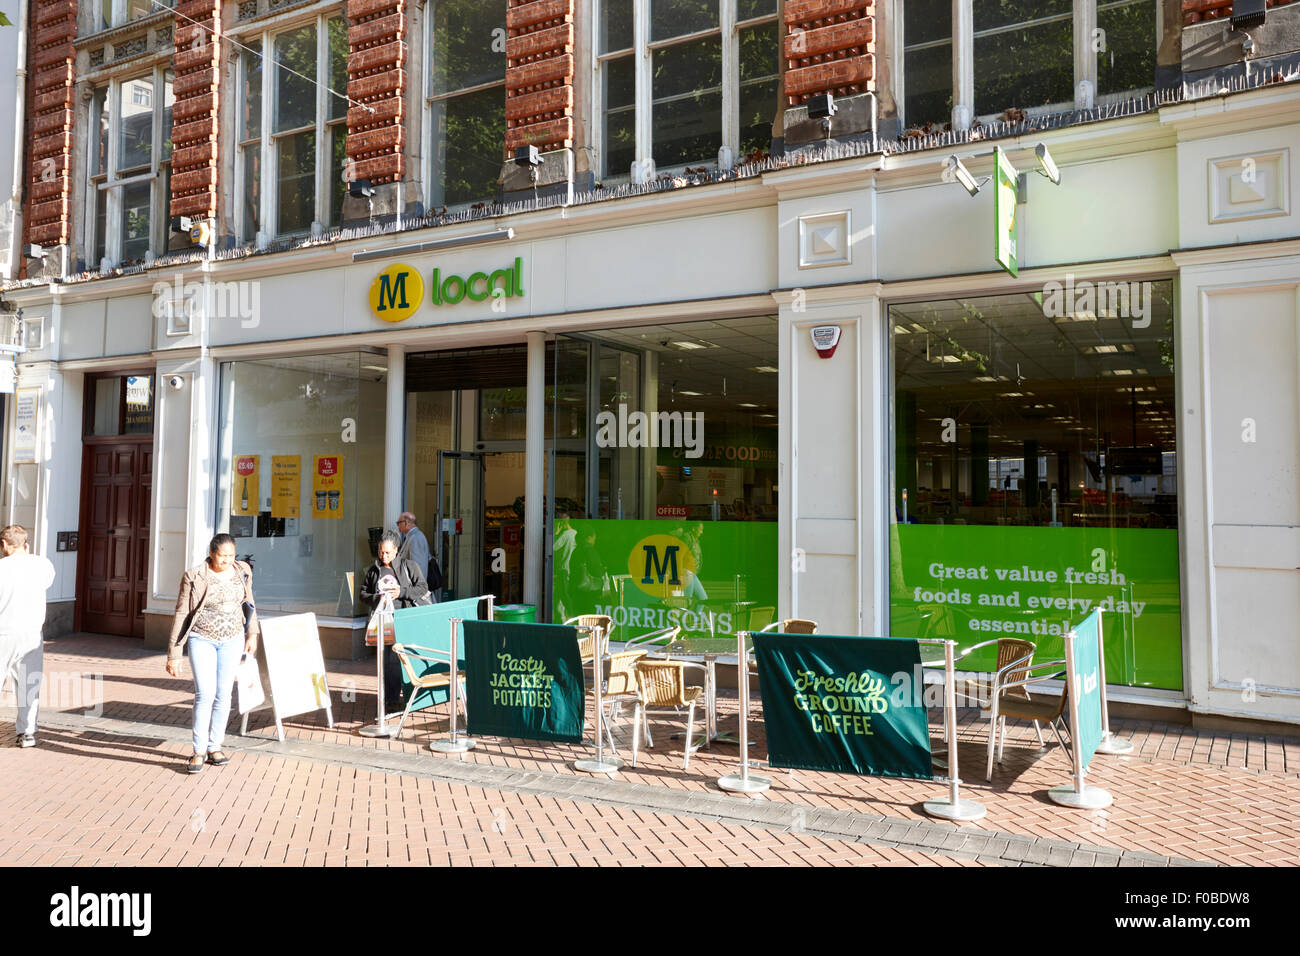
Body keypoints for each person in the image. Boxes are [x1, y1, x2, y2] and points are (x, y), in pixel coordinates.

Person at [166, 534, 259, 774]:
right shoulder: (194, 576)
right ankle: (198, 751)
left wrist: (252, 634)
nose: (227, 560)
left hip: (233, 639)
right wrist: (174, 653)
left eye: (231, 555)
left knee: (224, 694)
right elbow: (181, 613)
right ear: (211, 553)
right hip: (202, 638)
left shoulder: (242, 571)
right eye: (222, 555)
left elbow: (249, 602)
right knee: (205, 693)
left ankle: (214, 747)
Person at [0, 526, 56, 748]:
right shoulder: (43, 565)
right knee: (29, 684)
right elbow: (47, 582)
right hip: (32, 632)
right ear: (26, 544)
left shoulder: (2, 568)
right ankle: (27, 732)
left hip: (4, 630)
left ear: (4, 544)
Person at [362, 531, 429, 707]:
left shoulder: (409, 566)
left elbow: (422, 587)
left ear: (396, 550)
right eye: (381, 551)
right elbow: (363, 593)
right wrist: (377, 598)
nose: (384, 556)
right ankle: (391, 699)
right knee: (390, 660)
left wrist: (401, 592)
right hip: (385, 620)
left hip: (406, 618)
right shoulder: (374, 570)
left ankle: (413, 696)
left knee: (409, 658)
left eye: (388, 552)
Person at [396, 511, 440, 598]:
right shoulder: (411, 537)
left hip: (416, 593)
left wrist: (418, 591)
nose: (398, 526)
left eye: (399, 523)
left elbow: (419, 568)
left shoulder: (416, 538)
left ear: (407, 523)